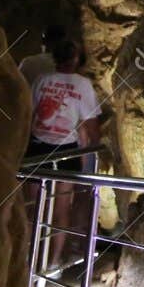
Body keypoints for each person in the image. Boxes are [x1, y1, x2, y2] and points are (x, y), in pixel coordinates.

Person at [26, 38, 101, 272]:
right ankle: (54, 261)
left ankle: (27, 258)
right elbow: (91, 124)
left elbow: (30, 114)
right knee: (60, 209)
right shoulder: (82, 85)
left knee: (31, 207)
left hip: (37, 149)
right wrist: (93, 149)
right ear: (76, 59)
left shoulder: (41, 80)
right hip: (65, 150)